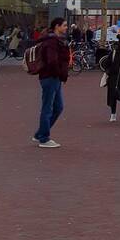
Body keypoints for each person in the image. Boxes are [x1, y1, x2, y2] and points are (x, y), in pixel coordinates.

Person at [31, 18, 71, 148]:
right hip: (50, 77)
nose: (66, 28)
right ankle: (44, 138)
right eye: (64, 26)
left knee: (58, 107)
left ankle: (40, 133)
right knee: (48, 107)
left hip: (54, 77)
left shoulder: (55, 40)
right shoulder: (52, 42)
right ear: (57, 26)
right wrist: (60, 73)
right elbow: (52, 61)